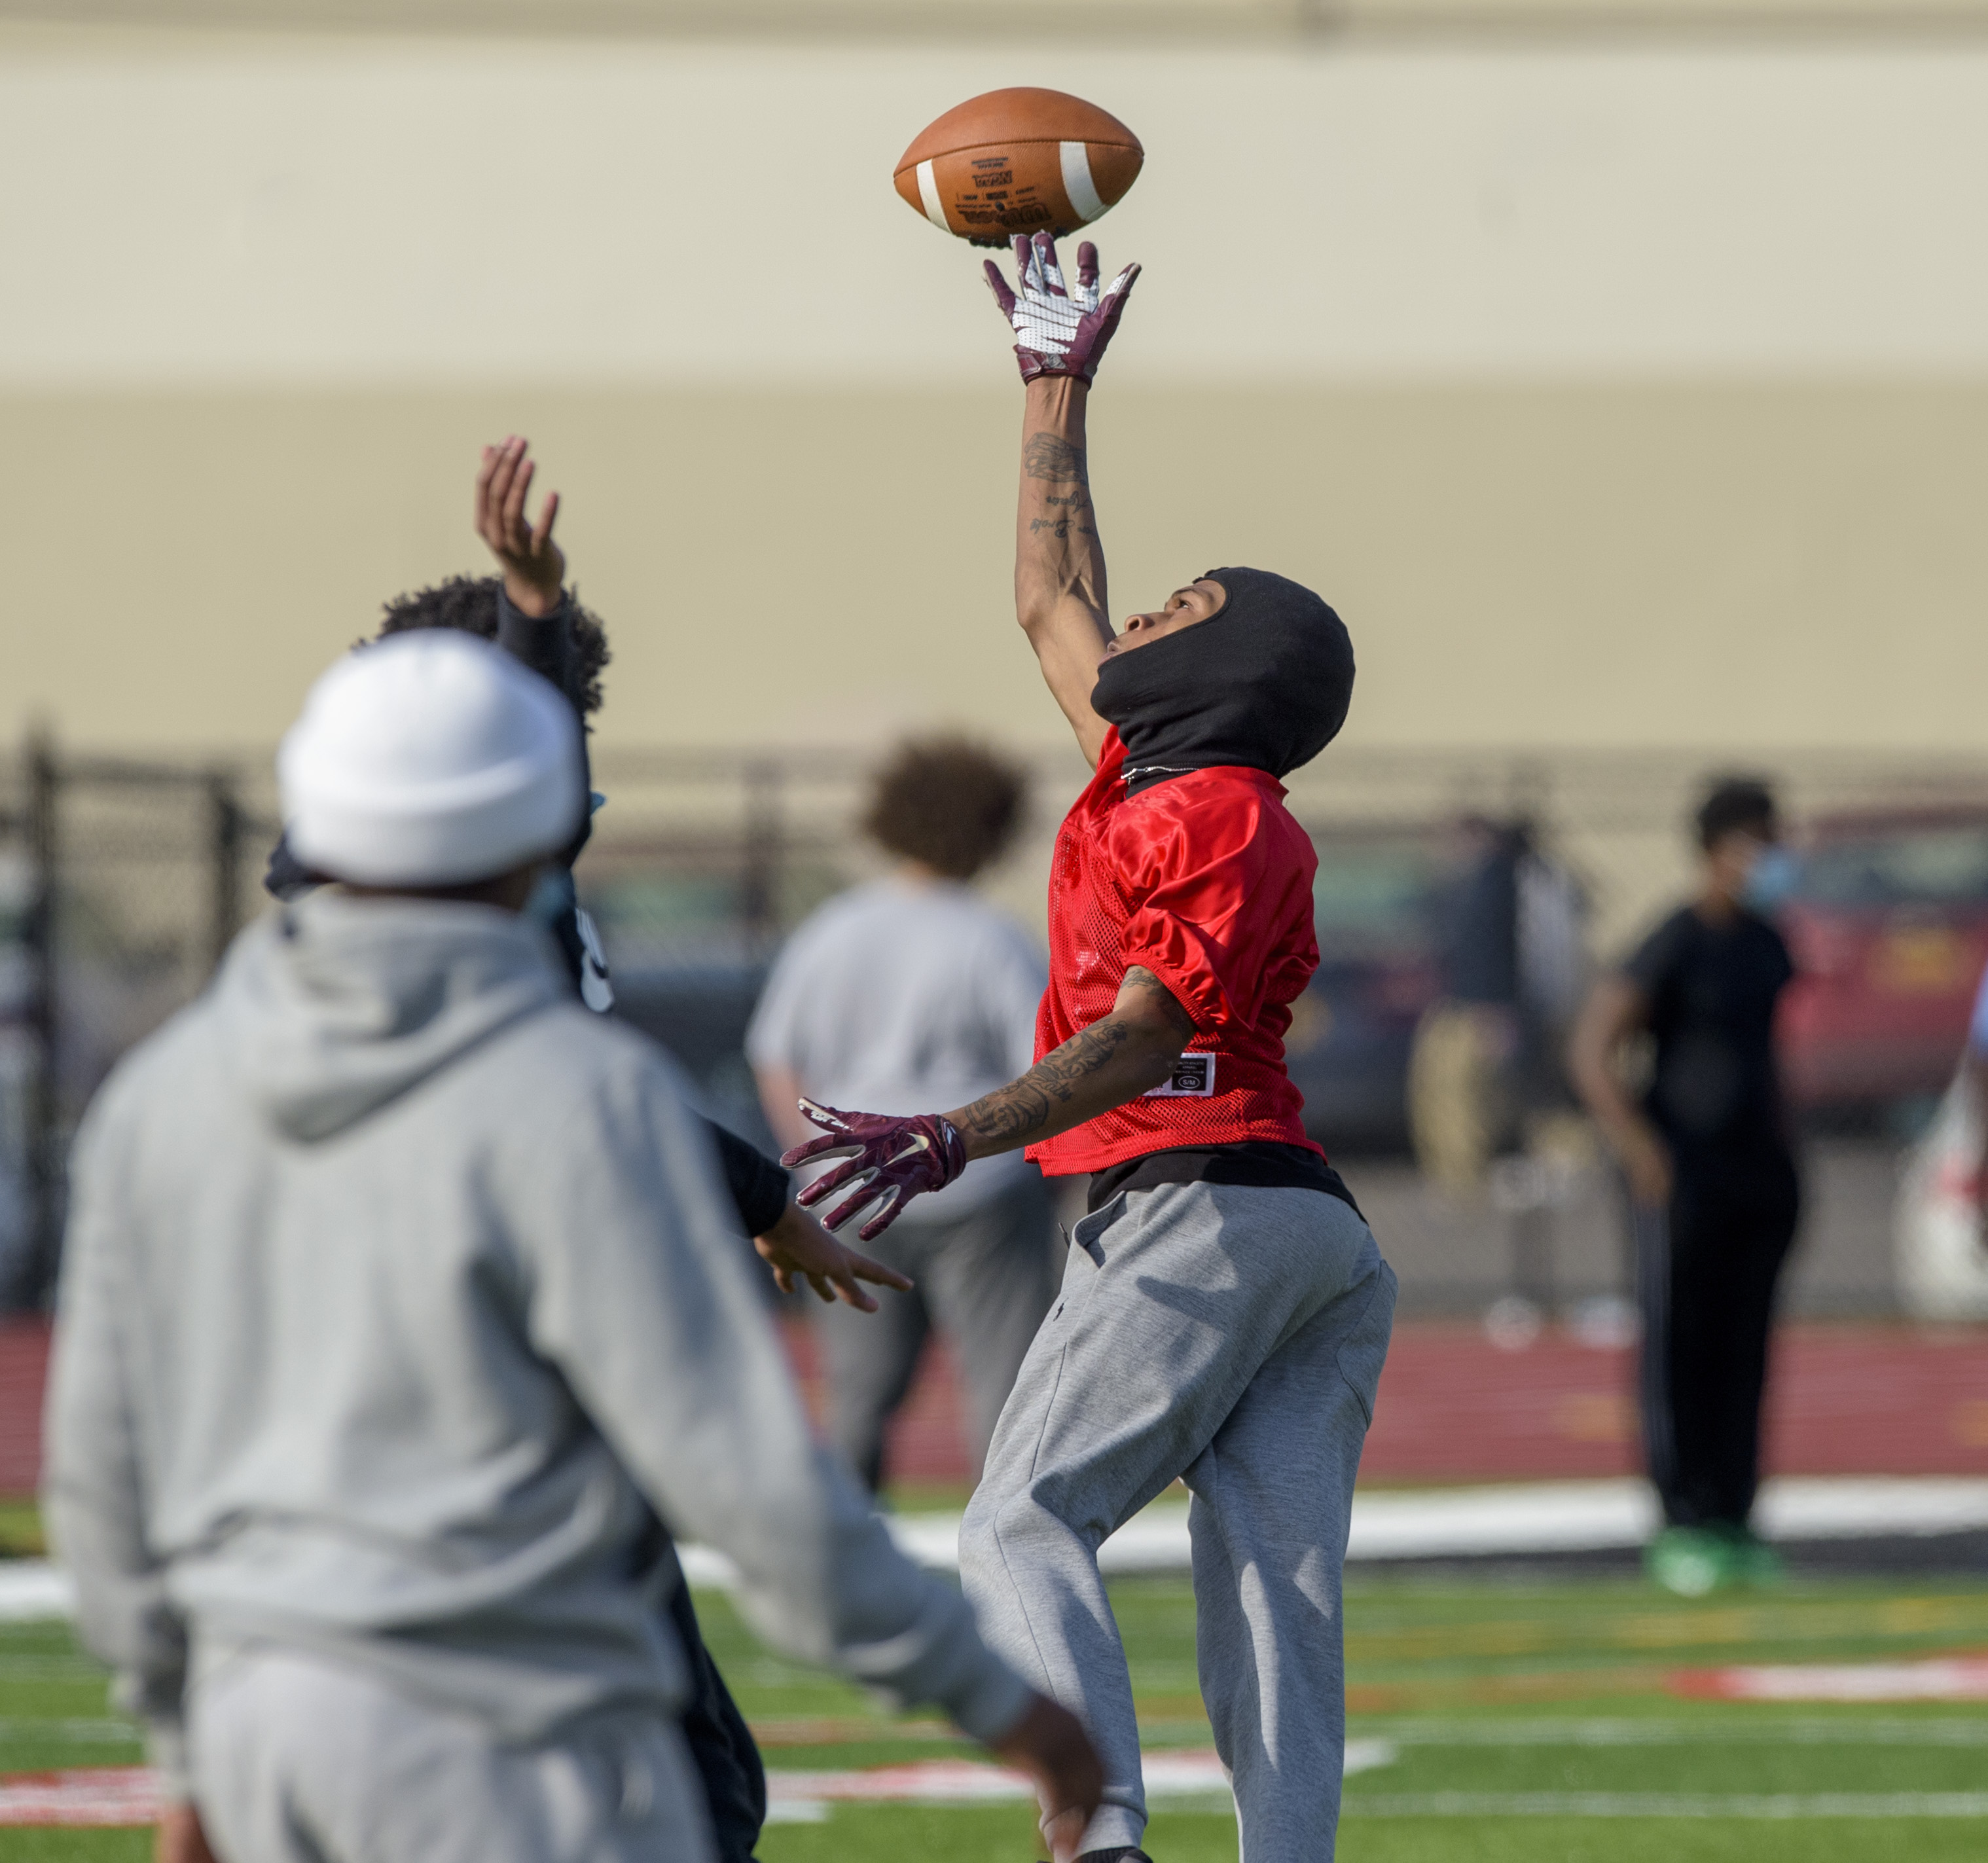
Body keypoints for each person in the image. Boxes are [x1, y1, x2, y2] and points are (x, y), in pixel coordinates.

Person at [43, 631, 1100, 1863]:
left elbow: (99, 1475)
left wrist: (191, 1745)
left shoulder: (160, 1096)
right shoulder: (582, 1095)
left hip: (265, 1737)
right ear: (536, 838)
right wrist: (999, 1702)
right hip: (530, 1749)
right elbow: (747, 1480)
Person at [780, 234, 1396, 1863]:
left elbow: (1138, 1039)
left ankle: (1097, 1833)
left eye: (1180, 606)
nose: (1138, 611)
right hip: (1285, 1221)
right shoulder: (1157, 775)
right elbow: (1045, 592)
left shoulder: (1213, 811)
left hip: (1201, 1205)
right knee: (1269, 1596)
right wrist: (1052, 385)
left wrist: (950, 1133)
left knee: (1016, 1515)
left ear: (1228, 661)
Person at [261, 436, 900, 1862]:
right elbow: (556, 1087)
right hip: (466, 1362)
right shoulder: (396, 901)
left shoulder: (437, 883)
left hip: (460, 1362)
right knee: (673, 1776)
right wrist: (766, 1195)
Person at [748, 736, 1057, 1493]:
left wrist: (816, 1162)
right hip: (978, 1191)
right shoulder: (991, 937)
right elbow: (1043, 1069)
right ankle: (1008, 1556)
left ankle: (846, 1571)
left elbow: (775, 1051)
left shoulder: (835, 927)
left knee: (856, 1398)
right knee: (1006, 1393)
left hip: (854, 1192)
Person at [1568, 775, 1803, 1597]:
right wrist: (1642, 1150)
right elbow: (1594, 1048)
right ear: (1718, 850)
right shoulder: (1674, 938)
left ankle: (1737, 1516)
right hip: (1682, 1177)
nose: (1776, 859)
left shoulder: (1768, 942)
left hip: (1757, 1176)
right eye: (1760, 842)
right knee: (1680, 1350)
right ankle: (1683, 1520)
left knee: (1745, 1352)